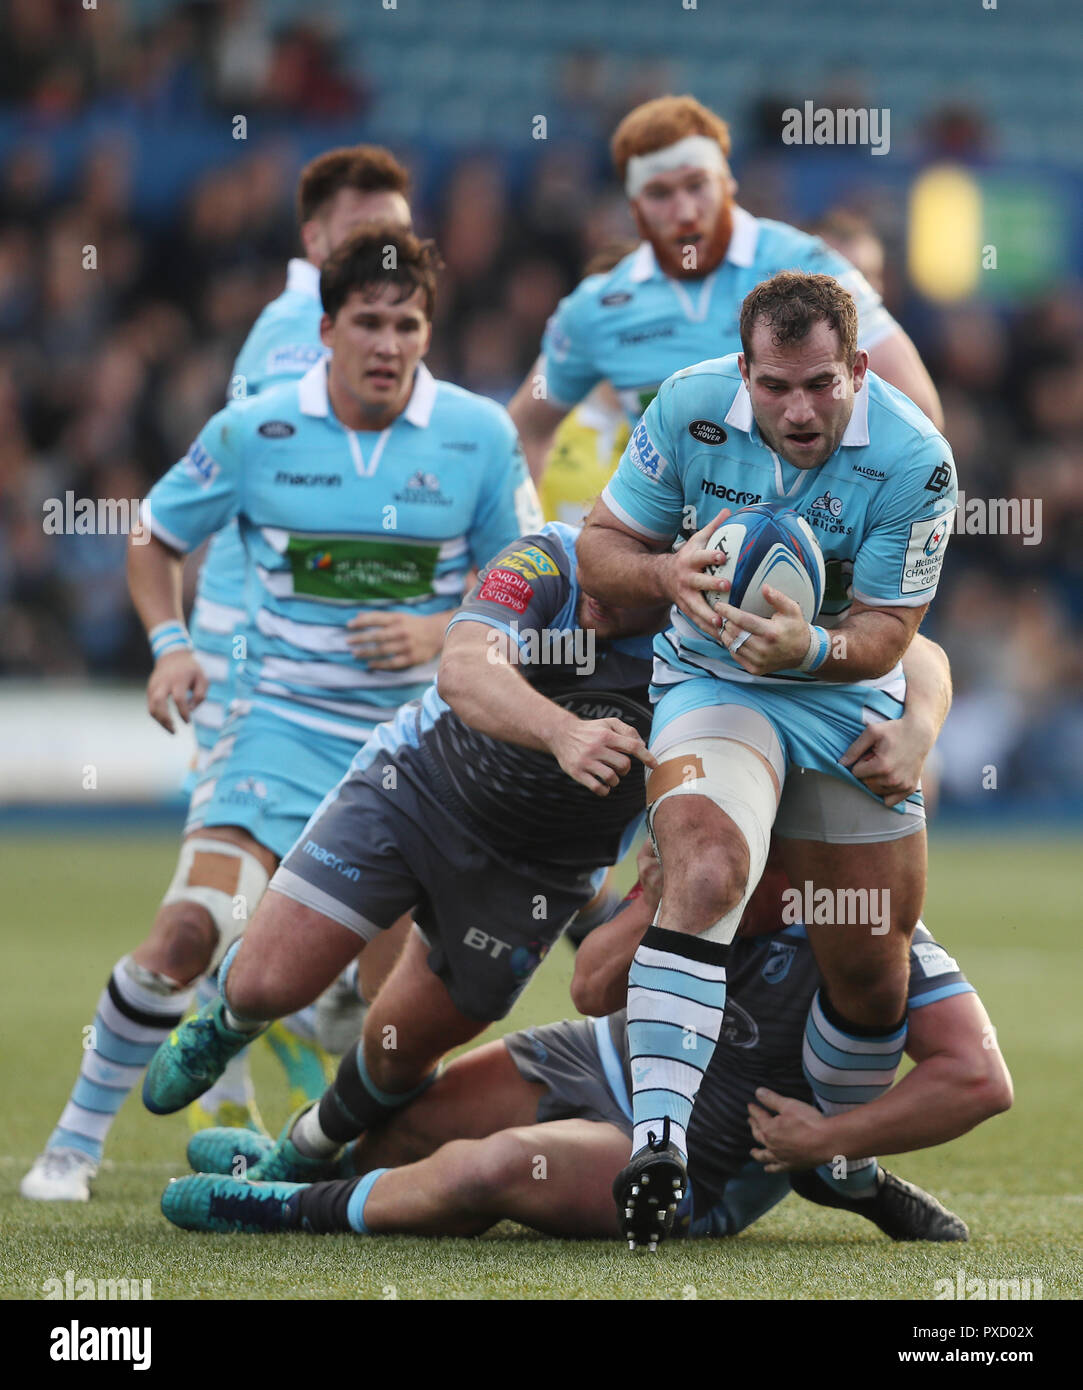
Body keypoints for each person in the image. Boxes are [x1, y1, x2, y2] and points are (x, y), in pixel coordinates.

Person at [21, 227, 536, 1204]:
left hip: (417, 756)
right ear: (329, 327)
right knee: (193, 928)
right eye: (370, 322)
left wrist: (438, 635)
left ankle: (306, 1161)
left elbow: (518, 585)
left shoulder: (478, 436)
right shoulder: (256, 430)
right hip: (277, 728)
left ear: (431, 330)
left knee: (390, 1025)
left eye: (409, 323)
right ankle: (72, 1148)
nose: (389, 343)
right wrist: (172, 645)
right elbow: (155, 538)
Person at [575, 269, 959, 1246]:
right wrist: (664, 571)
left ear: (858, 369)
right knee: (707, 864)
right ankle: (656, 1144)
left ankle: (837, 1159)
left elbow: (889, 634)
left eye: (821, 385)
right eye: (775, 385)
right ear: (741, 371)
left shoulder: (918, 459)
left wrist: (815, 649)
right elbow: (601, 545)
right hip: (715, 686)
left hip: (841, 702)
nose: (797, 408)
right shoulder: (689, 406)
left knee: (872, 971)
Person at [139, 520, 667, 1184]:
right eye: (602, 550)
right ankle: (228, 1020)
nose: (599, 582)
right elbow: (464, 670)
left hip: (543, 869)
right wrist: (565, 733)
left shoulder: (704, 643)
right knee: (267, 983)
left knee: (395, 1056)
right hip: (415, 788)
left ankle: (295, 1159)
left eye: (628, 573)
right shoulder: (546, 559)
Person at [159, 845, 1011, 1243]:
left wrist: (829, 1141)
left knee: (487, 1171)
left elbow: (979, 1079)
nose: (729, 878)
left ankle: (274, 1208)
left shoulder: (864, 934)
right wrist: (663, 896)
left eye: (753, 865)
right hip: (599, 1054)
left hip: (696, 1161)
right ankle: (292, 1160)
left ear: (797, 874)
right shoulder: (704, 869)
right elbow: (594, 988)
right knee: (402, 1136)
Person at [509, 94, 942, 485]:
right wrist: (527, 537)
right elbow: (524, 432)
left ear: (728, 183)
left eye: (697, 186)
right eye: (659, 193)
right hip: (660, 561)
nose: (683, 211)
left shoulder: (811, 266)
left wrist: (846, 528)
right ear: (635, 208)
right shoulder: (599, 307)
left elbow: (920, 417)